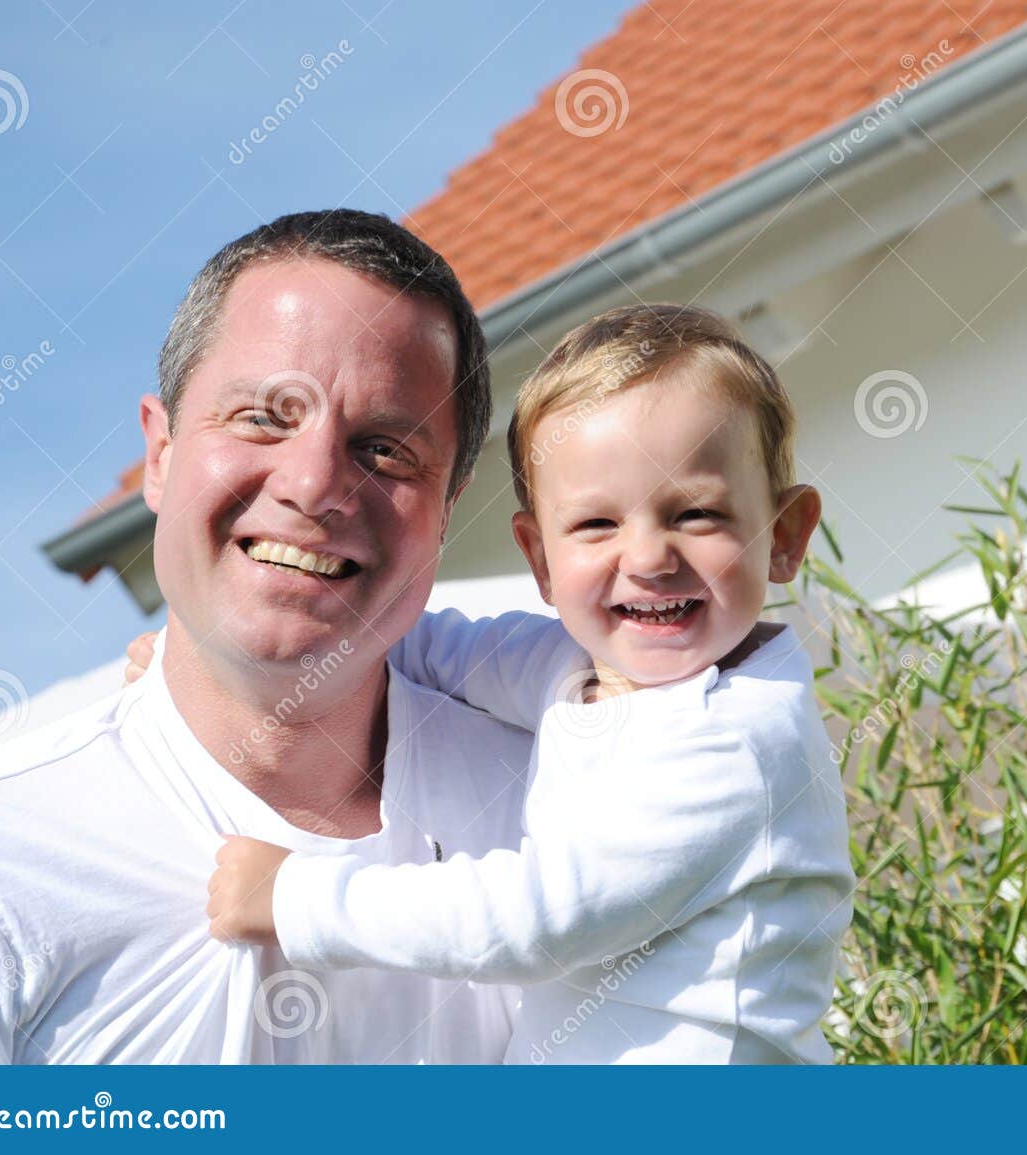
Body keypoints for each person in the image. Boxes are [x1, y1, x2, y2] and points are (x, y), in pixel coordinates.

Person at [189, 304, 855, 1063]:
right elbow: (423, 645)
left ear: (786, 534)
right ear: (540, 560)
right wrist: (227, 654)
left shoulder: (738, 743)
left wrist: (297, 898)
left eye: (696, 513)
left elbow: (539, 915)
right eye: (597, 524)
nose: (646, 556)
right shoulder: (575, 667)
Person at [0, 210, 534, 1063]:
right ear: (159, 453)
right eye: (263, 416)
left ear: (447, 511)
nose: (315, 482)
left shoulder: (574, 815)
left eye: (385, 448)